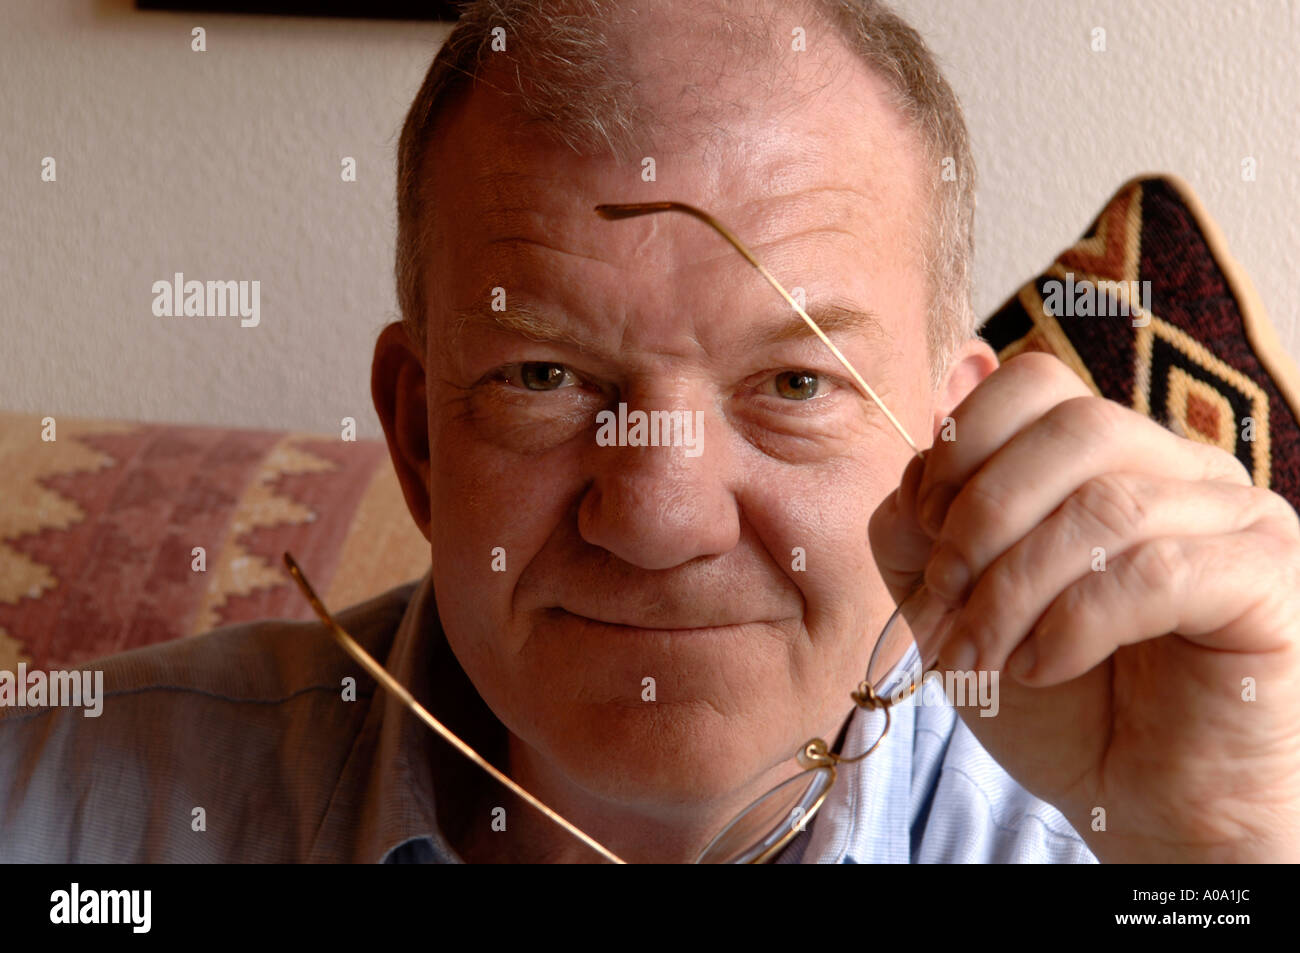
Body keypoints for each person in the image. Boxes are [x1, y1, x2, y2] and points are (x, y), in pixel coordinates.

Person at [3, 0, 1298, 864]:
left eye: (795, 382)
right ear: (418, 439)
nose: (662, 517)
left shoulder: (1140, 825)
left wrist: (1222, 854)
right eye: (545, 374)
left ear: (949, 440)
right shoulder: (61, 799)